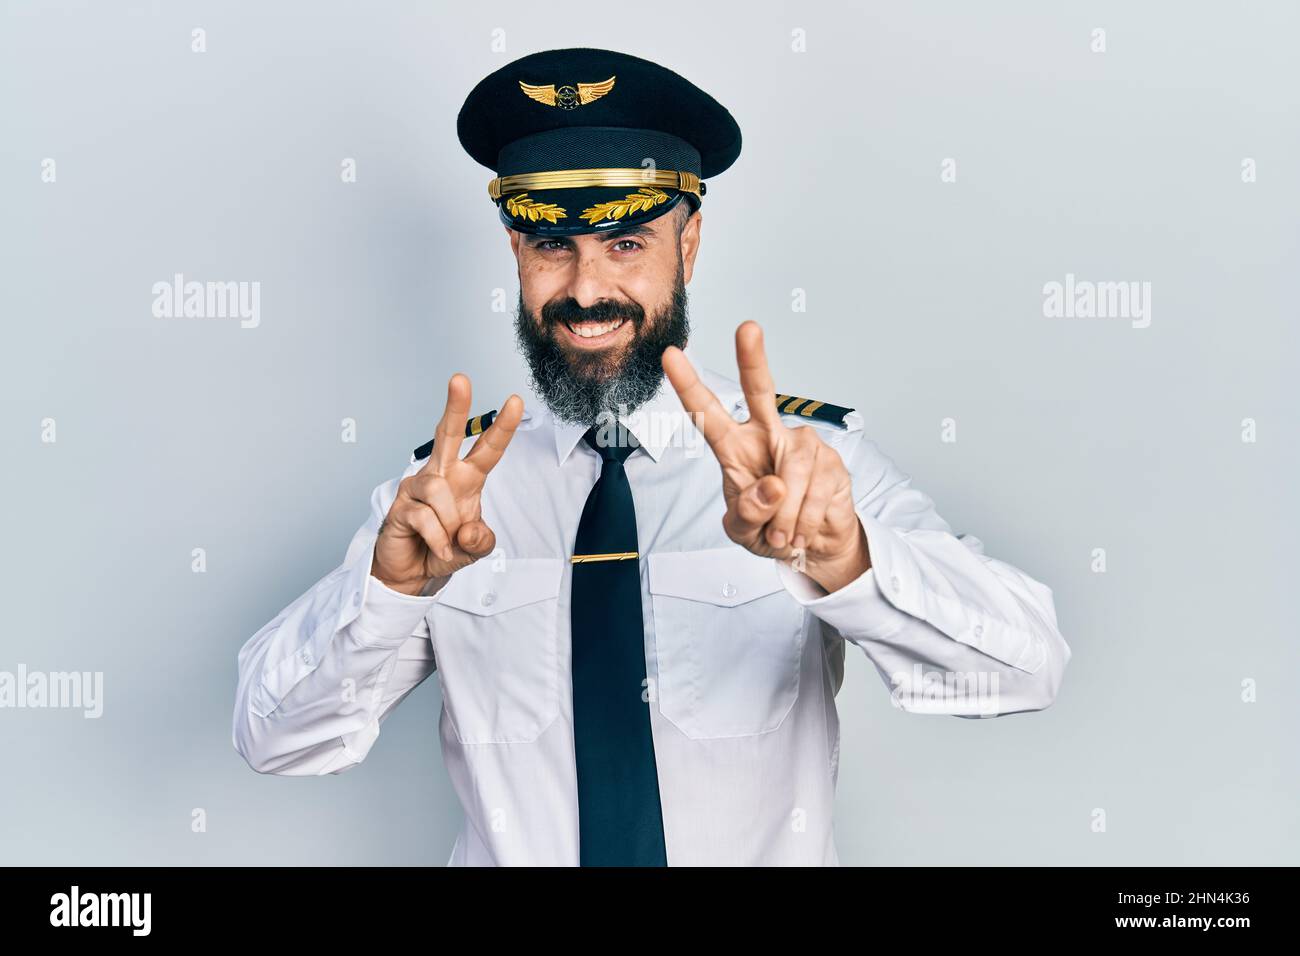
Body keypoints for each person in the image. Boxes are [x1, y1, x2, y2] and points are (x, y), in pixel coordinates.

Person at [233, 47, 1071, 866]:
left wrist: (847, 558)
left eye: (626, 243)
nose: (587, 288)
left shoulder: (811, 469)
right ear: (514, 250)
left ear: (691, 243)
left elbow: (1027, 667)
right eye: (550, 245)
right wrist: (385, 595)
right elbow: (274, 739)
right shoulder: (445, 495)